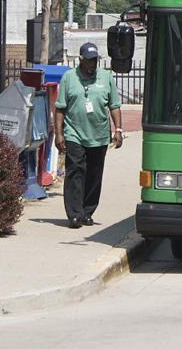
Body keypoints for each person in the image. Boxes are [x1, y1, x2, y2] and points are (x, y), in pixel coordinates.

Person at [54, 43, 123, 229]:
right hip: (74, 133)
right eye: (90, 60)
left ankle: (87, 212)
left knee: (94, 175)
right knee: (75, 172)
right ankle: (74, 214)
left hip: (99, 135)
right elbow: (60, 108)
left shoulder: (106, 77)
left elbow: (114, 105)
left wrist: (118, 130)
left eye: (95, 60)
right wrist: (59, 134)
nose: (93, 64)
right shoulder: (69, 77)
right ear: (81, 60)